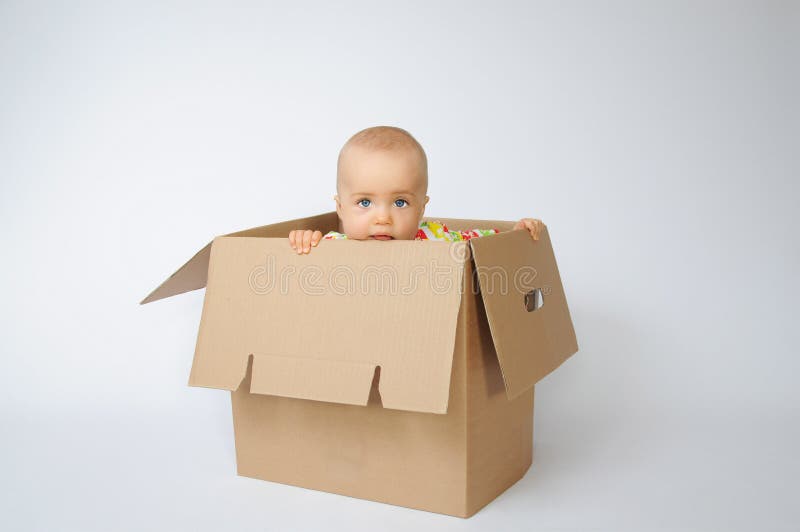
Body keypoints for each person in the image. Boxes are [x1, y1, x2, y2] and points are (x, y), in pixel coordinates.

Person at [288, 126, 543, 254]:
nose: (383, 219)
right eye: (365, 202)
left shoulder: (435, 240)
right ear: (340, 208)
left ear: (422, 207)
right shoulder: (333, 247)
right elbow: (305, 257)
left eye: (400, 202)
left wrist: (516, 235)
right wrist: (306, 241)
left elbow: (482, 243)